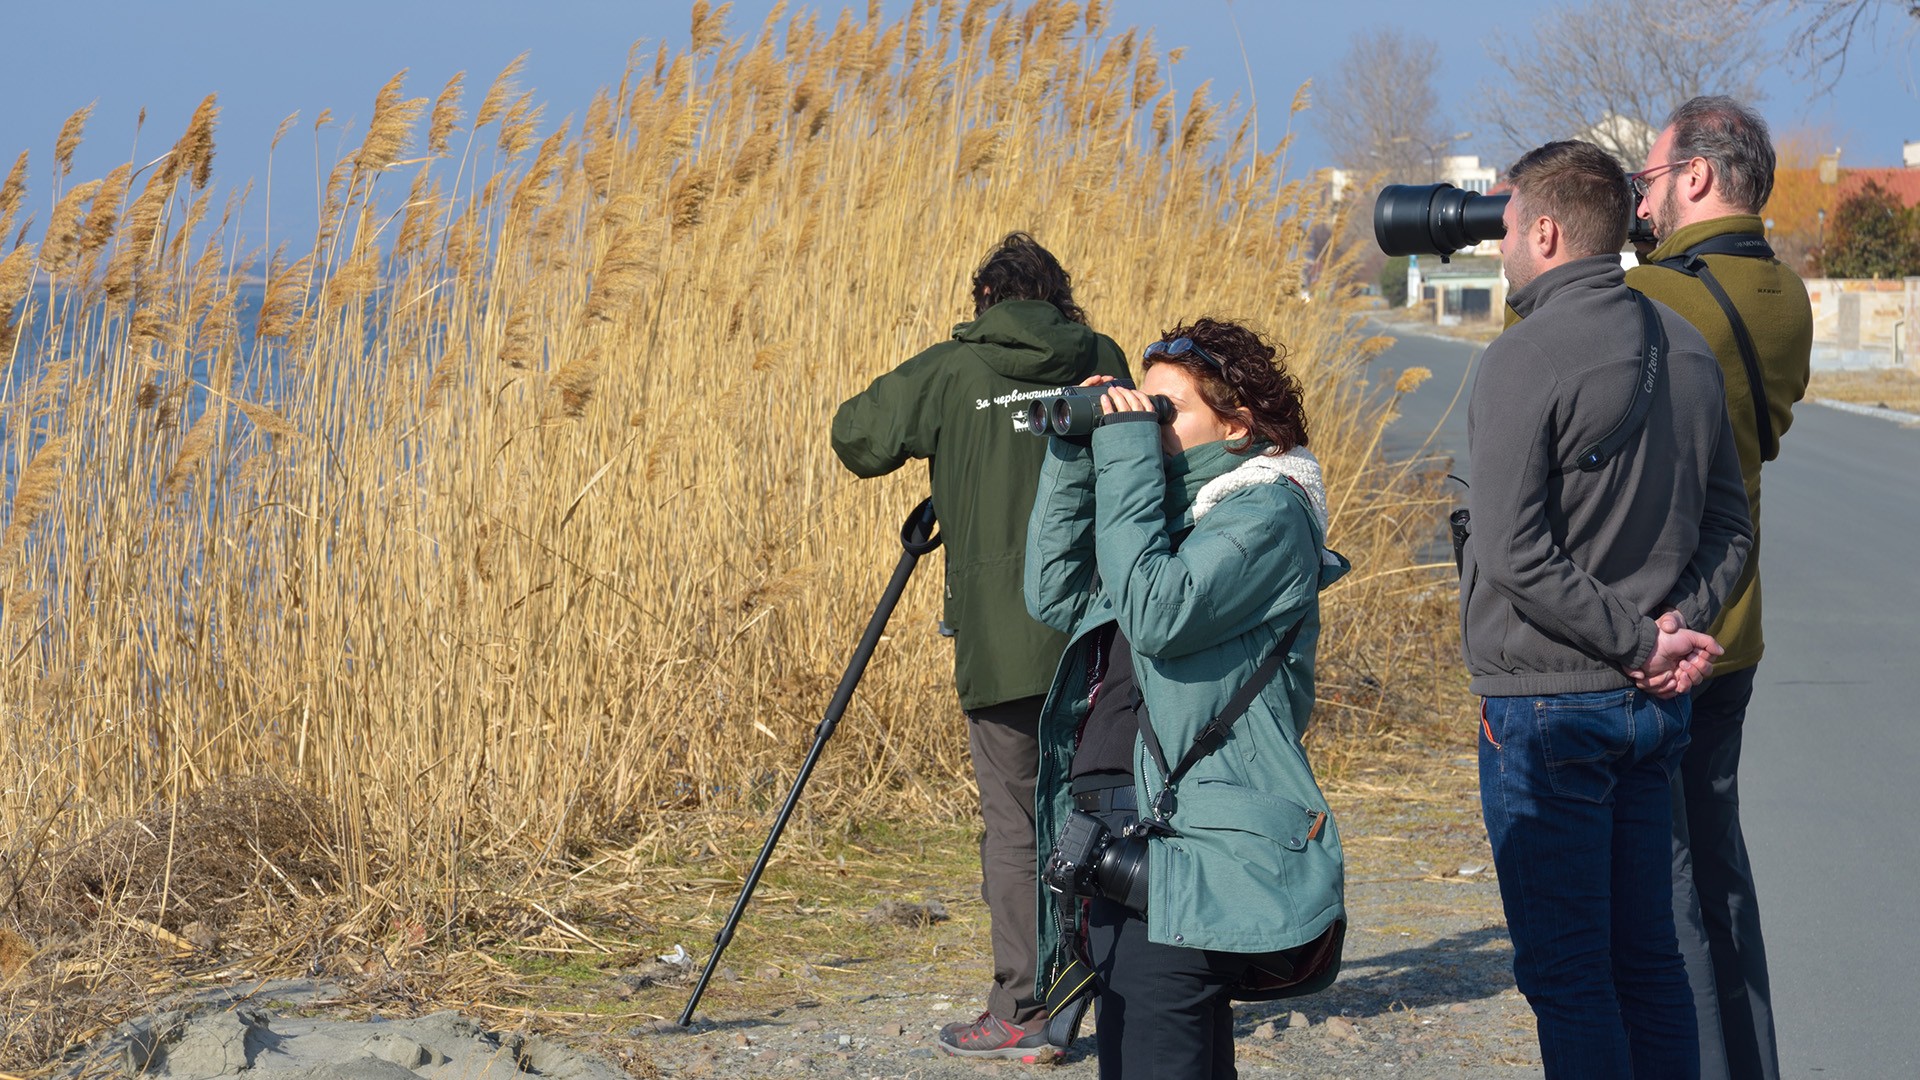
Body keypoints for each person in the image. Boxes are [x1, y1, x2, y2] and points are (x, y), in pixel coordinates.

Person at [1464, 140, 1753, 1078]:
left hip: (1547, 708)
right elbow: (1731, 529)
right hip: (1648, 709)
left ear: (1545, 231)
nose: (1500, 246)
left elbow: (1510, 551)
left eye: (1506, 228)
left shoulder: (1525, 356)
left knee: (1569, 975)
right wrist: (1668, 639)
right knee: (1648, 962)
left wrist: (1640, 641)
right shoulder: (1692, 349)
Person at [830, 232, 1130, 1060]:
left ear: (987, 301)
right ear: (1057, 298)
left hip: (1002, 640)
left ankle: (1025, 1009)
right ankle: (1098, 990)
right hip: (1099, 634)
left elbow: (855, 436)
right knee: (1096, 811)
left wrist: (958, 448)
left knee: (1014, 825)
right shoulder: (1099, 356)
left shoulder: (953, 370)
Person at [1023, 318, 1349, 1079]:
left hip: (1188, 841)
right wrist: (1075, 455)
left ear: (1238, 425)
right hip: (1123, 832)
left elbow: (1159, 615)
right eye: (1144, 407)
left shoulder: (1267, 516)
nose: (1147, 427)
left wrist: (1131, 456)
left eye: (1166, 413)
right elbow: (1053, 592)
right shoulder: (1169, 523)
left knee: (1157, 1058)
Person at [1625, 95, 1813, 1080]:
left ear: (1696, 177)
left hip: (1669, 629)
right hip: (1737, 627)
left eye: (1648, 182)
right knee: (1720, 876)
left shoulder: (1664, 301)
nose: (1640, 202)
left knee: (1672, 895)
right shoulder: (1780, 293)